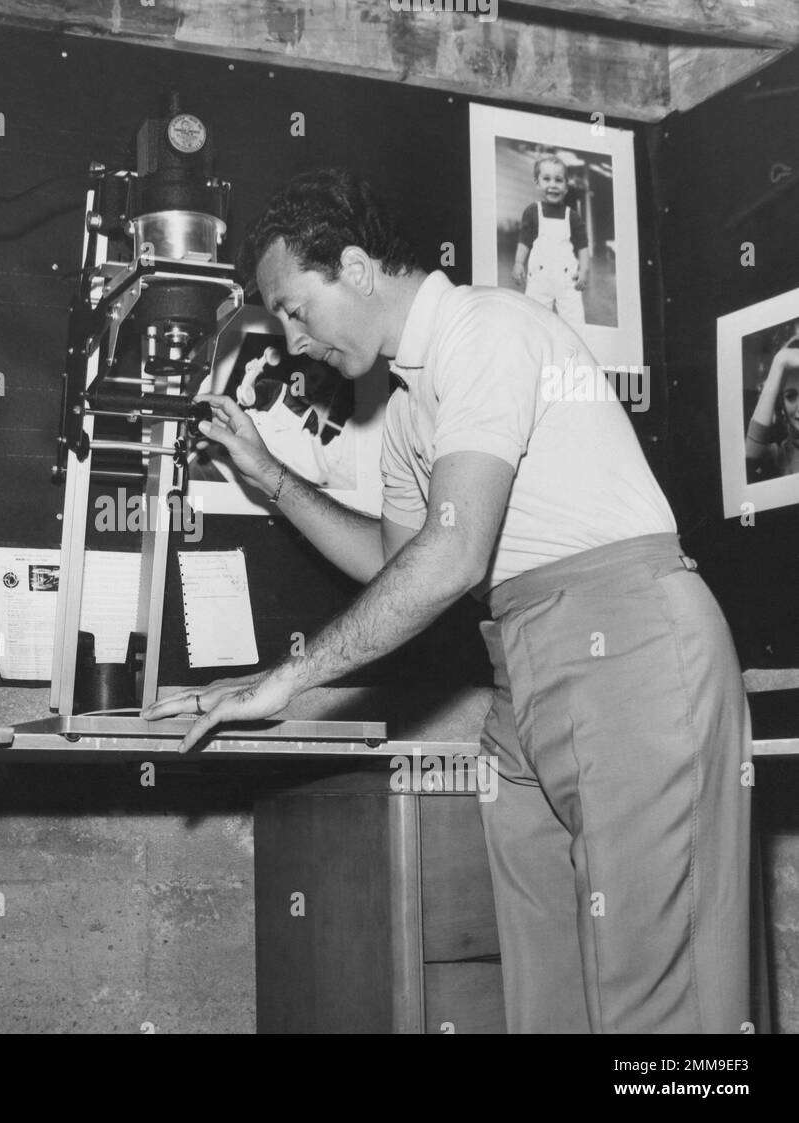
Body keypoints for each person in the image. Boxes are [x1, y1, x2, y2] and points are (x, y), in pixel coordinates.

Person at [145, 168, 751, 1034]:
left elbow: (453, 555)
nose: (286, 339)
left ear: (354, 267)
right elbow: (394, 564)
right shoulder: (402, 411)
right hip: (529, 670)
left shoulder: (486, 328)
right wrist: (272, 477)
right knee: (552, 995)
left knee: (662, 1006)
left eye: (292, 308)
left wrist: (290, 677)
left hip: (634, 651)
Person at [511, 153, 589, 328]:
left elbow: (583, 247)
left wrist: (584, 270)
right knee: (534, 322)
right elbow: (524, 241)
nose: (553, 185)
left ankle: (572, 355)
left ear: (566, 187)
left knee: (574, 324)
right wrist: (518, 263)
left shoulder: (573, 217)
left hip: (567, 281)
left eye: (559, 180)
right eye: (547, 179)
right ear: (537, 183)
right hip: (539, 280)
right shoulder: (532, 212)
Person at [745, 332, 799, 479]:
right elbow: (749, 461)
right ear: (782, 407)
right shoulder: (777, 458)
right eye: (791, 396)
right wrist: (779, 362)